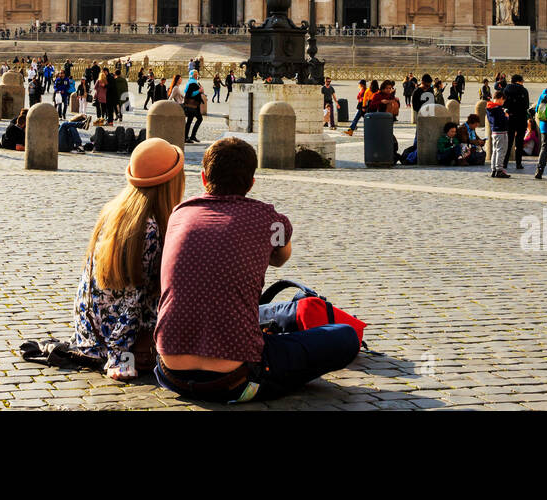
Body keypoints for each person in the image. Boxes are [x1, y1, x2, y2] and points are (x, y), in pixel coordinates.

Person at [154, 137, 359, 403]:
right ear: (251, 182)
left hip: (171, 373)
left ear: (204, 178)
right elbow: (280, 258)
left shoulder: (179, 213)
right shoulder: (268, 219)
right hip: (237, 378)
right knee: (345, 337)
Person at [55, 138, 188, 381]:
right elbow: (133, 299)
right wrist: (120, 357)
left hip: (90, 331)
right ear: (170, 183)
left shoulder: (114, 211)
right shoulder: (148, 229)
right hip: (113, 339)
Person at [502, 74, 530, 172]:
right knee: (519, 141)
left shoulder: (506, 90)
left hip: (510, 117)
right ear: (519, 81)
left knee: (508, 142)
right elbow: (526, 105)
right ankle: (518, 163)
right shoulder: (524, 90)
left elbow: (504, 104)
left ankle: (505, 162)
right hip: (521, 118)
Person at [486, 91, 511, 179]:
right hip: (501, 132)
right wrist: (506, 116)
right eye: (503, 101)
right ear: (500, 99)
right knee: (501, 150)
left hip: (494, 132)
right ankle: (499, 170)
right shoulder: (498, 109)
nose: (503, 102)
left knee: (495, 151)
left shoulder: (489, 108)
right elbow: (502, 120)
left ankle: (494, 169)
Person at [183, 75, 205, 144]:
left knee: (190, 121)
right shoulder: (192, 83)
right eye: (195, 75)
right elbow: (190, 94)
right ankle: (190, 136)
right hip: (193, 106)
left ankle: (187, 137)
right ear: (192, 76)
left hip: (194, 106)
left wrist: (201, 91)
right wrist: (199, 90)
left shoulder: (194, 83)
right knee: (199, 119)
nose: (197, 76)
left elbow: (198, 93)